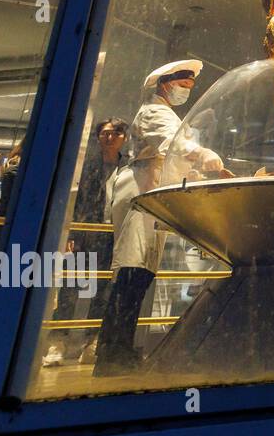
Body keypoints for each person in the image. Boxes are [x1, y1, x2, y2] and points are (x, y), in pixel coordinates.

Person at [94, 60, 226, 377]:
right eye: (183, 85)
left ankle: (121, 350)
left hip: (153, 197)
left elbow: (173, 159)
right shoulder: (153, 111)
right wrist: (202, 154)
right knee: (130, 274)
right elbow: (173, 145)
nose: (186, 90)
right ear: (165, 84)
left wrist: (198, 171)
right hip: (140, 196)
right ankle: (111, 354)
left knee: (140, 276)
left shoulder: (169, 114)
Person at [42, 119, 129, 367]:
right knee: (70, 289)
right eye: (105, 133)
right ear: (98, 137)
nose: (110, 137)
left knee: (103, 292)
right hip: (85, 234)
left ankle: (91, 344)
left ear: (124, 137)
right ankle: (57, 343)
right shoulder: (87, 165)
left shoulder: (128, 167)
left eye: (116, 133)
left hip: (112, 236)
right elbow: (77, 201)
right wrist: (73, 234)